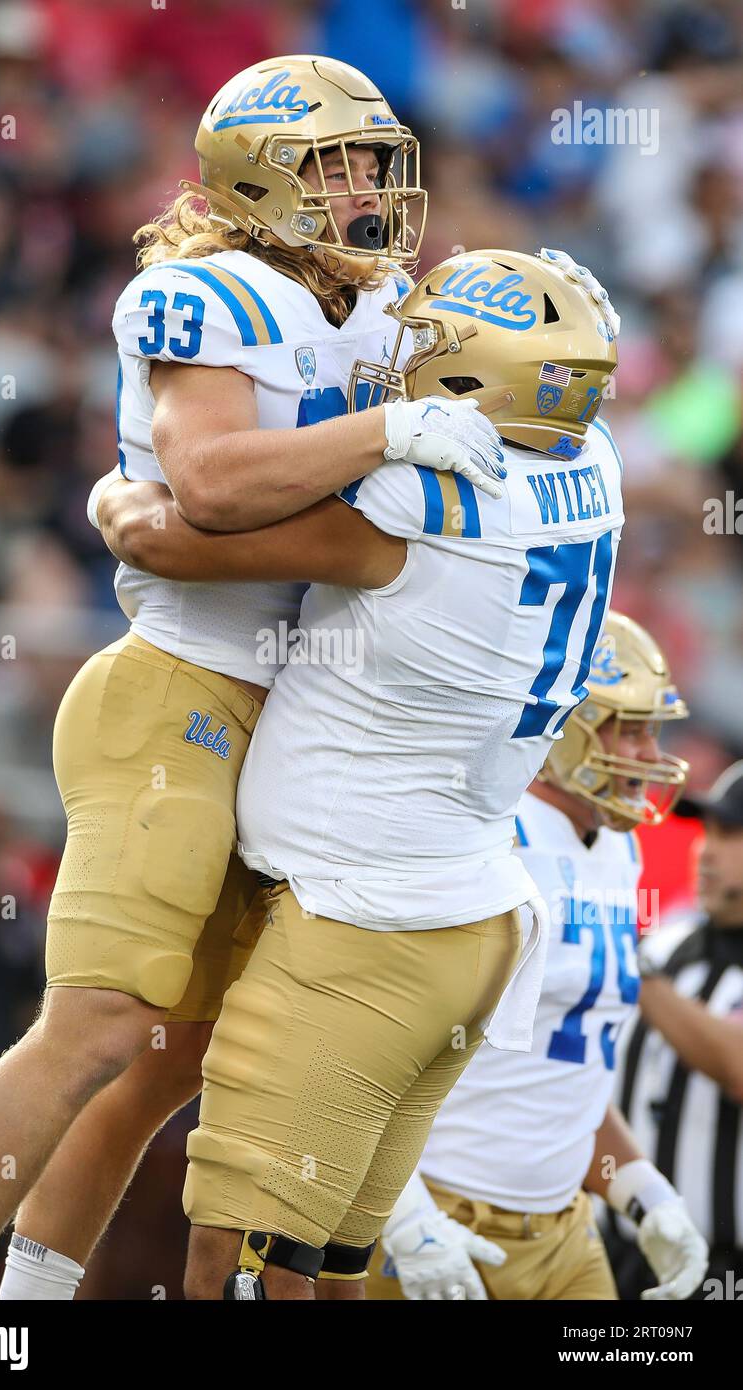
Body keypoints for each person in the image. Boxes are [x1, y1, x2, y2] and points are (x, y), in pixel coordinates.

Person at [0, 55, 506, 1303]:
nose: (364, 189)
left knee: (175, 1055)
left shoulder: (390, 311)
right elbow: (212, 483)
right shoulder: (204, 292)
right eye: (333, 164)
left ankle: (32, 1301)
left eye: (373, 161)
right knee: (99, 1023)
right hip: (181, 689)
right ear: (256, 175)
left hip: (305, 713)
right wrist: (381, 431)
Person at [95, 245, 624, 1298]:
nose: (400, 359)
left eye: (428, 346)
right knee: (328, 1255)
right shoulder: (591, 459)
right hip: (468, 906)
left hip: (362, 919)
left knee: (236, 1257)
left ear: (477, 379)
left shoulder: (421, 498)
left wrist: (116, 493)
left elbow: (177, 535)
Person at [364, 612, 709, 1301]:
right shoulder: (486, 840)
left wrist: (642, 1190)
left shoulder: (620, 849)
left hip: (567, 1233)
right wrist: (404, 1216)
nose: (649, 754)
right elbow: (364, 1055)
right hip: (446, 1219)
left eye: (654, 731)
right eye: (630, 729)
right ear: (563, 723)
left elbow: (565, 1070)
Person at [604, 761, 743, 1301]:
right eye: (707, 832)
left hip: (725, 1275)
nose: (705, 850)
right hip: (619, 1253)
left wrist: (627, 961)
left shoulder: (644, 960)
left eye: (730, 835)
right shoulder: (667, 943)